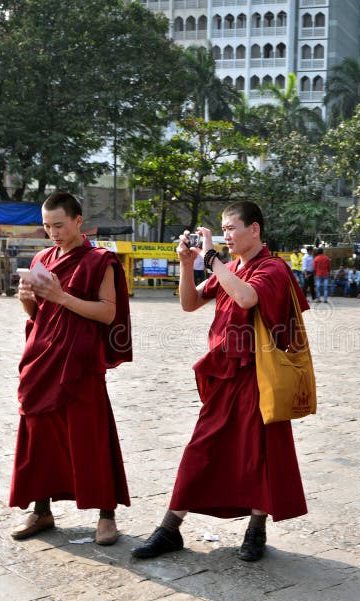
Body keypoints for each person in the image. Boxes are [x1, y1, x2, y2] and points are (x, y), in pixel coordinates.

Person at [131, 200, 309, 562]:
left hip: (260, 375)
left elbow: (246, 296)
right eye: (223, 229)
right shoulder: (232, 267)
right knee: (201, 448)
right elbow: (190, 302)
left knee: (261, 452)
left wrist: (212, 257)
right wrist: (186, 263)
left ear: (254, 229)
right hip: (226, 374)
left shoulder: (271, 268)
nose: (226, 235)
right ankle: (170, 527)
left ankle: (256, 530)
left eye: (231, 228)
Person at [9, 191, 132, 546]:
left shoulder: (100, 261)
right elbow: (38, 316)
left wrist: (62, 296)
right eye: (47, 226)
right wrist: (26, 299)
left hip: (80, 364)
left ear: (78, 221)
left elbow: (108, 312)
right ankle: (41, 509)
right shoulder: (43, 258)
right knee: (40, 439)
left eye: (59, 225)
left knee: (90, 437)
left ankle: (106, 514)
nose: (53, 233)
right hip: (41, 359)